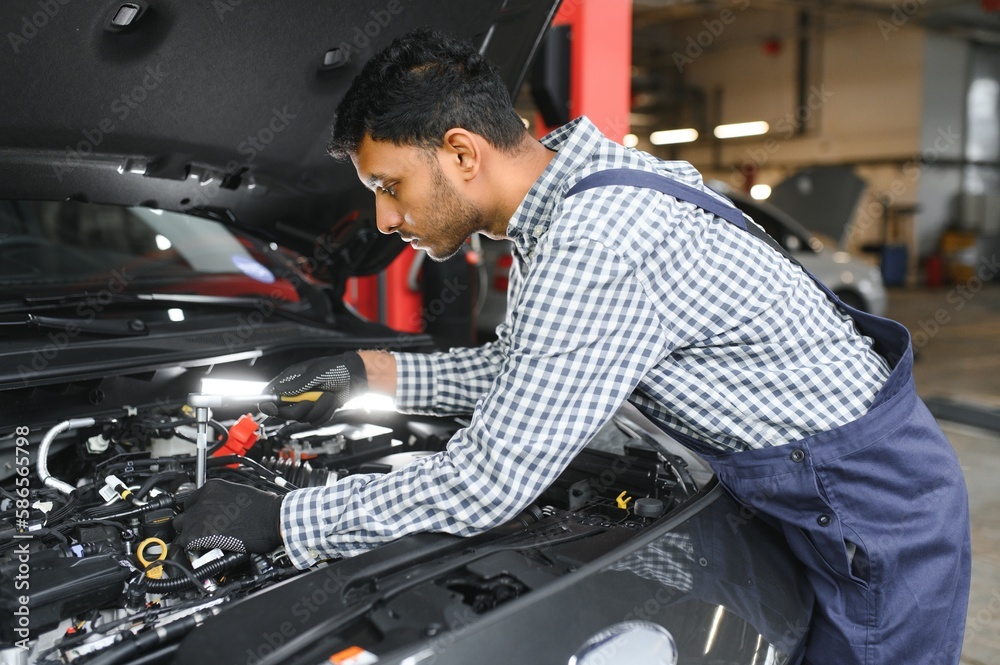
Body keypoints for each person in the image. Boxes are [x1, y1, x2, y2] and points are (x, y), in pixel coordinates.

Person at [175, 28, 971, 664]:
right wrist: (367, 370)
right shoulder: (580, 193)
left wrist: (287, 519)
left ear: (461, 152)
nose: (385, 221)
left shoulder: (595, 241)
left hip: (870, 515)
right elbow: (526, 371)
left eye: (390, 187)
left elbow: (487, 484)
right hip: (816, 484)